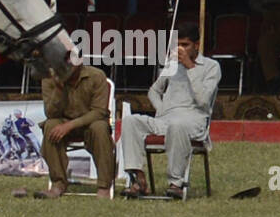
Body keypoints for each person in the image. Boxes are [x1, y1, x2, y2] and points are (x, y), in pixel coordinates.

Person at [121, 23, 220, 199]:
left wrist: (190, 67)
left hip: (193, 121)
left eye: (185, 44)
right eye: (177, 44)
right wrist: (162, 109)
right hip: (166, 118)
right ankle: (138, 178)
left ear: (196, 45)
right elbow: (153, 91)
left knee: (177, 125)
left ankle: (176, 183)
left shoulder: (211, 67)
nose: (180, 49)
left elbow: (204, 99)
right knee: (131, 121)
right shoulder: (172, 65)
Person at [39, 58, 115, 198]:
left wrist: (69, 125)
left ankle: (104, 186)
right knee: (50, 125)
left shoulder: (96, 76)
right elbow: (50, 113)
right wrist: (58, 89)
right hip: (63, 120)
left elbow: (99, 112)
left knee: (100, 128)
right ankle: (58, 183)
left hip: (90, 123)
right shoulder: (49, 79)